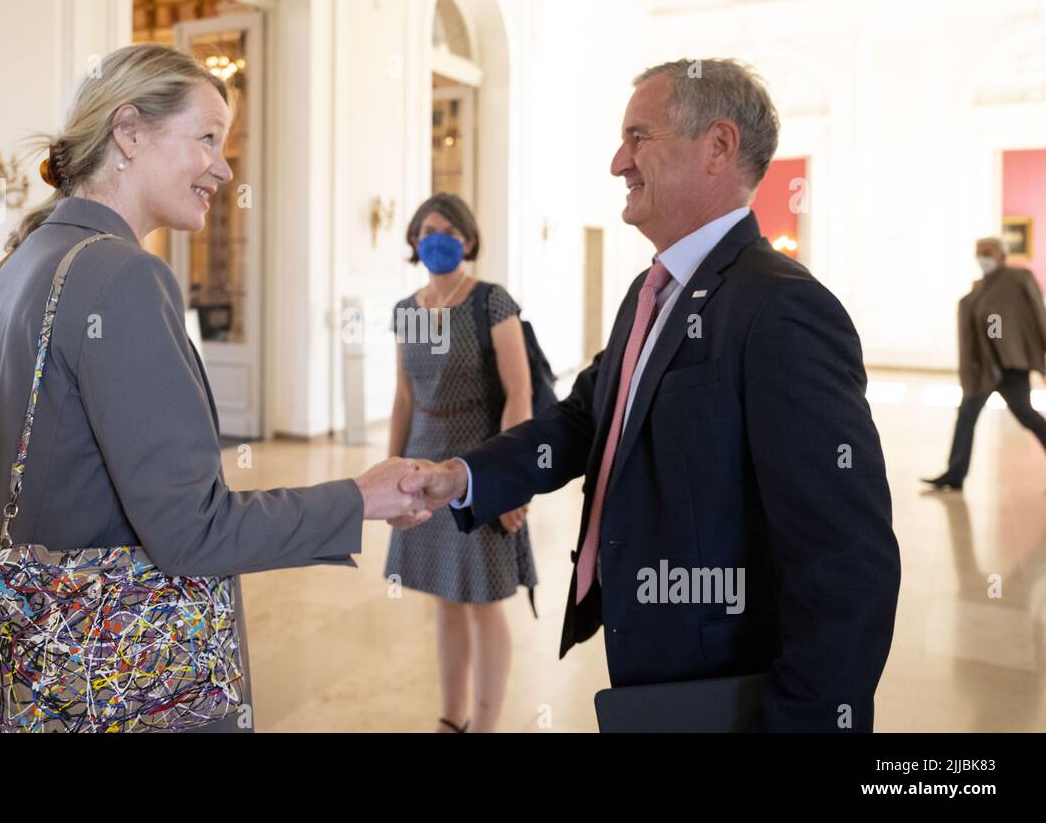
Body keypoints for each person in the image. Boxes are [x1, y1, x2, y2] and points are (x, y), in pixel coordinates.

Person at [397, 58, 901, 732]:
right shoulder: (651, 290)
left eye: (638, 137)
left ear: (718, 147)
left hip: (721, 680)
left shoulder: (783, 308)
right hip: (648, 658)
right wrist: (462, 476)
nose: (617, 162)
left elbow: (847, 563)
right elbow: (584, 418)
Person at [0, 44, 428, 733]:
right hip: (117, 674)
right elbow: (192, 531)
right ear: (129, 132)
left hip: (34, 662)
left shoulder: (26, 259)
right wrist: (359, 497)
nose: (225, 164)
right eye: (207, 136)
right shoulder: (122, 277)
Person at [385, 193, 538, 733]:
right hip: (424, 460)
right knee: (445, 600)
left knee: (483, 600)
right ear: (413, 239)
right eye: (427, 228)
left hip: (479, 460)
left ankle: (487, 724)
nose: (437, 237)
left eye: (449, 229)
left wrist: (509, 482)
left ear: (469, 240)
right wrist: (390, 475)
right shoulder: (407, 311)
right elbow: (404, 397)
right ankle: (452, 720)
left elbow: (520, 394)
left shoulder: (491, 302)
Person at [923, 237, 1046, 491]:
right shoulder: (979, 287)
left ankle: (955, 473)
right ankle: (955, 474)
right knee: (966, 415)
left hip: (1011, 366)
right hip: (984, 368)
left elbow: (1038, 313)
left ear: (1002, 255)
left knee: (1027, 417)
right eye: (979, 253)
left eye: (987, 252)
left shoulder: (1019, 278)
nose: (982, 258)